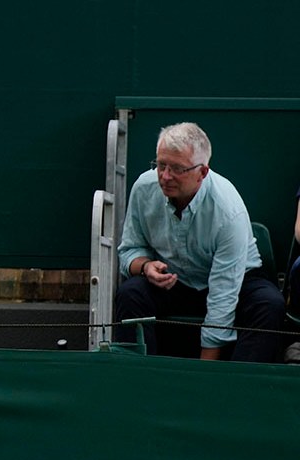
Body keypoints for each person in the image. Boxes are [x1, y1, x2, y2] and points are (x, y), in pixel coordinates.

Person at [114, 122, 284, 362]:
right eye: (160, 165)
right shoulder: (144, 188)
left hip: (237, 280)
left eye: (176, 169)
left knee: (269, 304)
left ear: (202, 173)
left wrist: (203, 371)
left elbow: (224, 292)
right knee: (131, 293)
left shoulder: (227, 210)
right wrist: (145, 266)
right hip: (175, 280)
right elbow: (130, 249)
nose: (165, 176)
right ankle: (136, 379)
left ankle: (236, 389)